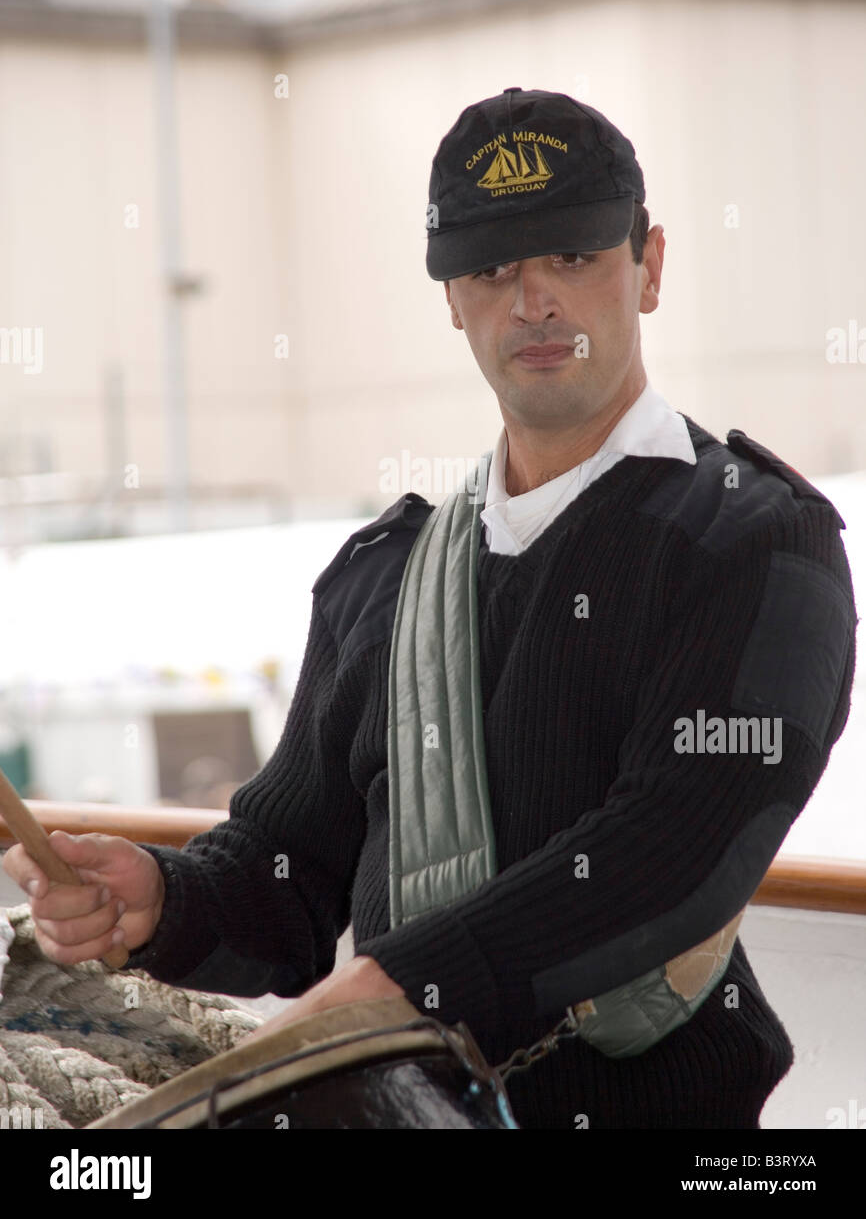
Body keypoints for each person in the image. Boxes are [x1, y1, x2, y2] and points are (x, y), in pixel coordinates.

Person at [3, 87, 857, 1129]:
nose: (533, 300)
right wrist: (165, 900)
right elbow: (290, 872)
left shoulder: (756, 541)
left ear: (650, 266)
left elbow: (671, 853)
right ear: (450, 297)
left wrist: (388, 991)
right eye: (493, 268)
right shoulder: (381, 570)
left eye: (573, 257)